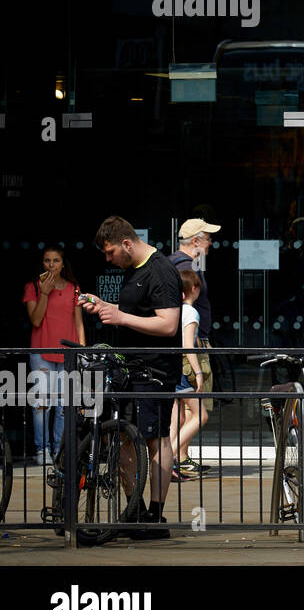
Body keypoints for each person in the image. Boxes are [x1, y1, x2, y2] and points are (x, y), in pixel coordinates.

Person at [83, 216, 183, 540]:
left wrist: (121, 316)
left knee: (155, 440)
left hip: (154, 372)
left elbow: (168, 324)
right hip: (129, 368)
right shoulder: (134, 271)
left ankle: (154, 514)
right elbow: (134, 313)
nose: (108, 259)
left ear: (127, 243)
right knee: (122, 437)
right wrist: (105, 306)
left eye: (111, 252)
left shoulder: (162, 271)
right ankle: (134, 510)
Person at [22, 246, 85, 463]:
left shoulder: (74, 288)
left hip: (67, 354)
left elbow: (78, 322)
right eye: (47, 261)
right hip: (41, 352)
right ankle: (42, 449)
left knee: (62, 407)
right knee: (42, 404)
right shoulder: (33, 287)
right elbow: (36, 320)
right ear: (42, 263)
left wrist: (82, 352)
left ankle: (59, 450)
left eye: (56, 260)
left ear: (62, 263)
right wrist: (45, 293)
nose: (51, 265)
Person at [170, 270, 212, 480]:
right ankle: (169, 456)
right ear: (194, 289)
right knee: (200, 415)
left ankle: (167, 466)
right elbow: (188, 346)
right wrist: (198, 373)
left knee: (178, 417)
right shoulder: (191, 313)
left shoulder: (174, 310)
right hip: (181, 370)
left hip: (170, 368)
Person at [170, 218, 218, 343]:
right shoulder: (187, 267)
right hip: (192, 341)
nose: (210, 243)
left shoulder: (174, 262)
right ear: (195, 241)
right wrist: (195, 341)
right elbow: (186, 306)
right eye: (208, 239)